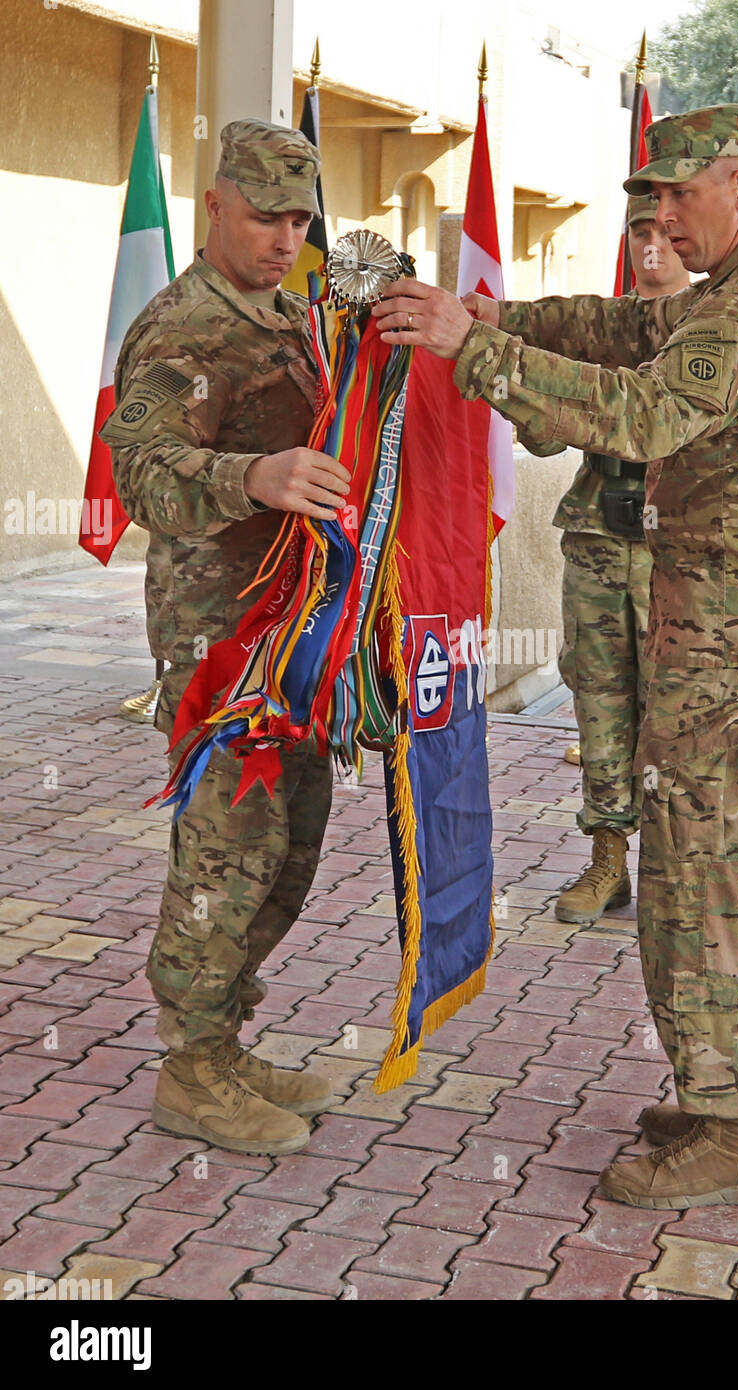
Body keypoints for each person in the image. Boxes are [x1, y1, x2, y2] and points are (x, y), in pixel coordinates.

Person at [372, 104, 738, 1209]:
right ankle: (737, 1095)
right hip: (728, 631)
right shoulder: (726, 296)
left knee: (707, 872)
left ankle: (727, 1124)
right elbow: (607, 329)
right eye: (652, 196)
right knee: (728, 866)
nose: (658, 216)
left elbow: (636, 415)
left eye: (679, 194)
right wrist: (495, 315)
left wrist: (472, 347)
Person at [101, 119, 350, 1157]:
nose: (282, 237)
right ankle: (189, 1064)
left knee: (292, 837)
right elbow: (138, 473)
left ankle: (225, 1032)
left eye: (298, 218)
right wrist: (247, 475)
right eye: (263, 216)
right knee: (226, 842)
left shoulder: (295, 313)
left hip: (291, 627)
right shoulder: (178, 326)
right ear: (214, 206)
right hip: (217, 640)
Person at [553, 193, 689, 927]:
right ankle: (608, 862)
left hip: (681, 556)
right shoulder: (599, 328)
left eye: (667, 231)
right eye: (639, 229)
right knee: (600, 699)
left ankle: (676, 875)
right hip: (602, 542)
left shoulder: (714, 328)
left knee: (678, 713)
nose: (653, 245)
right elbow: (543, 437)